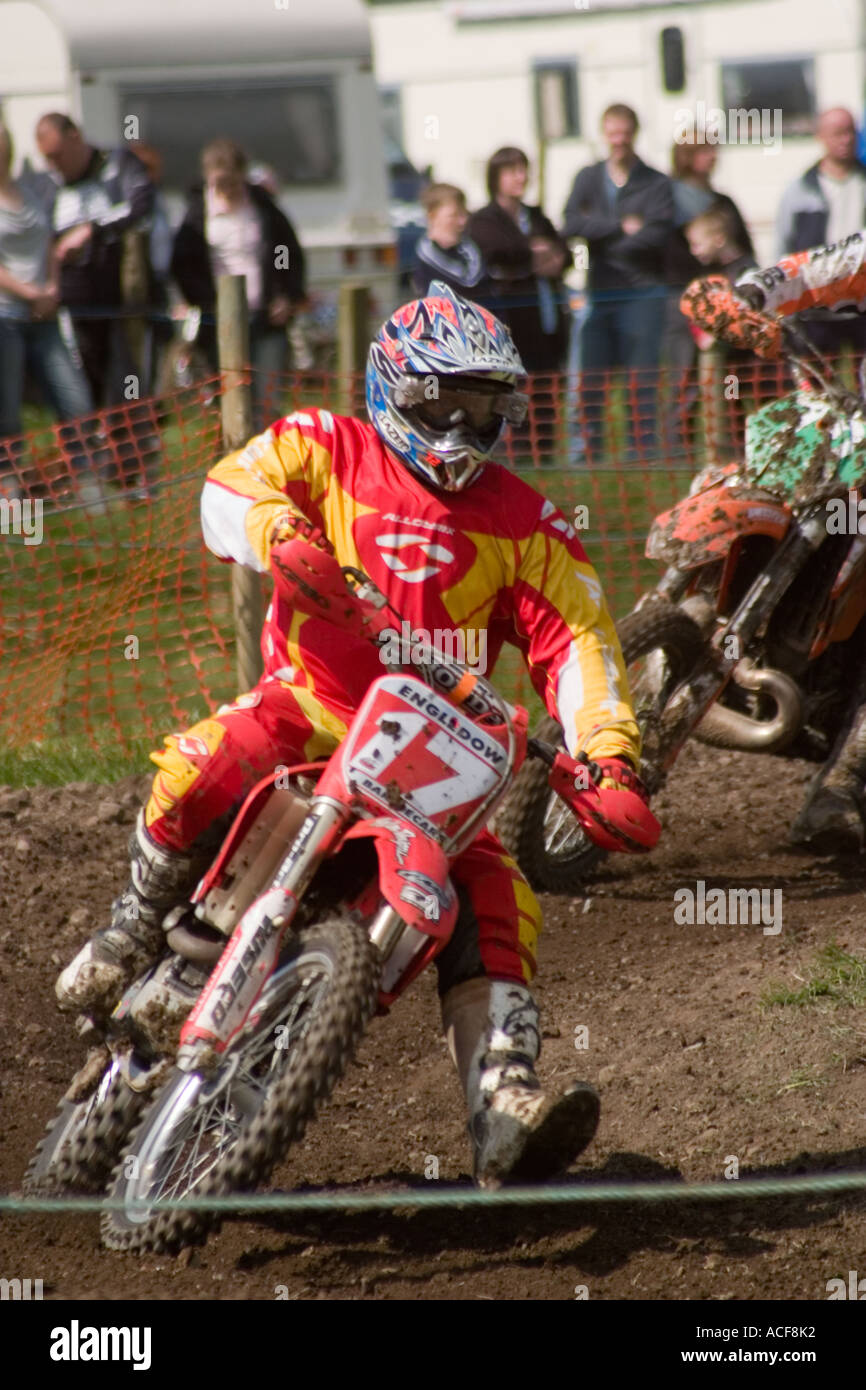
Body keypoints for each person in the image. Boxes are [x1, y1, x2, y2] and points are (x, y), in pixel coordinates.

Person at [55, 282, 651, 1187]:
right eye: (441, 404)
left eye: (482, 408)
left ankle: (503, 1100)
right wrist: (275, 528)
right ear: (394, 390)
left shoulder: (528, 524)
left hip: (437, 761)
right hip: (311, 709)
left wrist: (609, 755)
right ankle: (130, 929)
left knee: (499, 895)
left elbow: (581, 643)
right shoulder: (328, 446)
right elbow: (228, 485)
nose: (459, 429)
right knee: (199, 763)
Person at [683, 231, 866, 852]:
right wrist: (748, 295)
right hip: (850, 436)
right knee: (731, 479)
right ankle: (674, 622)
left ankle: (840, 786)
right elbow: (807, 272)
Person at [35, 112, 160, 490]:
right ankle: (88, 483)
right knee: (80, 399)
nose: (57, 165)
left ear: (76, 136)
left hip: (125, 308)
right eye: (49, 160)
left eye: (60, 154)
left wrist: (92, 231)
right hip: (73, 312)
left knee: (130, 389)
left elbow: (140, 206)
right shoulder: (49, 187)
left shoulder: (118, 166)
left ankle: (138, 479)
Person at [563, 104, 674, 460]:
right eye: (613, 133)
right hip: (598, 291)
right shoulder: (588, 178)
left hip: (642, 293)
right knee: (590, 378)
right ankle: (585, 454)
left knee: (640, 380)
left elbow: (658, 234)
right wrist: (619, 227)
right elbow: (569, 224)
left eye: (625, 133)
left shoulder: (656, 181)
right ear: (603, 134)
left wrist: (602, 237)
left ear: (634, 134)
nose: (619, 141)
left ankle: (641, 451)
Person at [171, 137, 306, 427]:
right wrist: (202, 301)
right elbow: (182, 264)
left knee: (266, 399)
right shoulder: (196, 215)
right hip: (219, 322)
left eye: (233, 182)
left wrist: (286, 295)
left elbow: (288, 254)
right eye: (220, 183)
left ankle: (267, 464)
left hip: (266, 318)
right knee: (230, 399)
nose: (227, 190)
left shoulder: (264, 209)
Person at [0, 125, 95, 498]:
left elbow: (50, 244)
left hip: (44, 317)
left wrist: (51, 290)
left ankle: (89, 486)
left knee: (75, 401)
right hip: (6, 317)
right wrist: (29, 294)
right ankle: (10, 496)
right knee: (7, 412)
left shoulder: (32, 189)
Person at [468, 148, 571, 458]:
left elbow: (562, 250)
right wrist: (533, 255)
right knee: (514, 390)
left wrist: (552, 257)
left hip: (547, 319)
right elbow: (497, 252)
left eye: (524, 170)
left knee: (547, 388)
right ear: (495, 177)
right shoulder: (485, 219)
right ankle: (519, 453)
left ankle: (546, 453)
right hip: (512, 322)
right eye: (512, 171)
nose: (520, 177)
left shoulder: (536, 215)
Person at [663, 139, 753, 455]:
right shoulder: (670, 201)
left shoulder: (722, 201)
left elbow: (743, 245)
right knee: (687, 376)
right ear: (687, 157)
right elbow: (675, 255)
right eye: (705, 150)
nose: (713, 155)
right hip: (687, 299)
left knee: (732, 382)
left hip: (725, 302)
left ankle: (737, 445)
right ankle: (680, 447)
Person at [775, 107, 866, 360]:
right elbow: (783, 246)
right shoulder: (800, 189)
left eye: (850, 131)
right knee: (820, 387)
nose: (846, 139)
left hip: (862, 301)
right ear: (821, 137)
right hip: (817, 307)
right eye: (838, 133)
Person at [684, 203, 759, 458]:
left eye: (697, 244)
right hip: (729, 364)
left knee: (757, 406)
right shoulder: (709, 274)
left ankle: (757, 454)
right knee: (732, 407)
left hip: (751, 360)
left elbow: (743, 311)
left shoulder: (747, 270)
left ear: (718, 239)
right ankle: (738, 457)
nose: (693, 252)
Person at [412, 183, 487, 300]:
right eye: (454, 216)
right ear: (432, 216)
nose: (462, 222)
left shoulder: (471, 250)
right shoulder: (421, 259)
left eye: (464, 214)